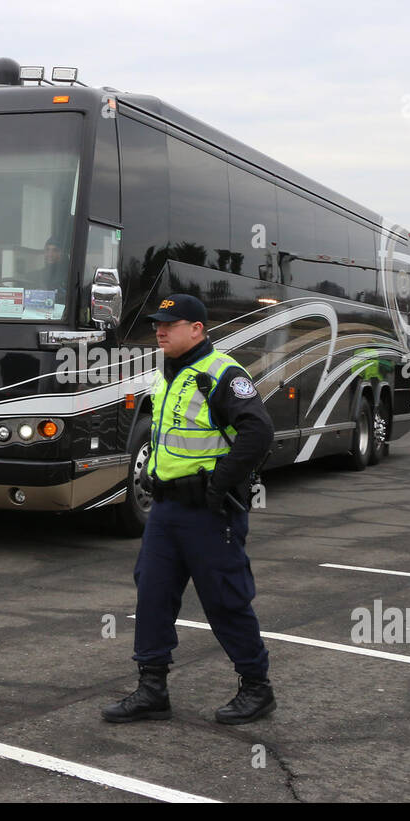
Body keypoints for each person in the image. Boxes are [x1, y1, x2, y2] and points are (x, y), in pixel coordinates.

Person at [102, 293, 277, 725]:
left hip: (209, 513)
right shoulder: (167, 375)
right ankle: (151, 689)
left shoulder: (220, 373)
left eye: (170, 324)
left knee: (225, 599)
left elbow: (259, 432)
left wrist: (219, 484)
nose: (159, 330)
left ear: (197, 329)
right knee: (154, 595)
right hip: (166, 510)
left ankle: (257, 688)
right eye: (158, 323)